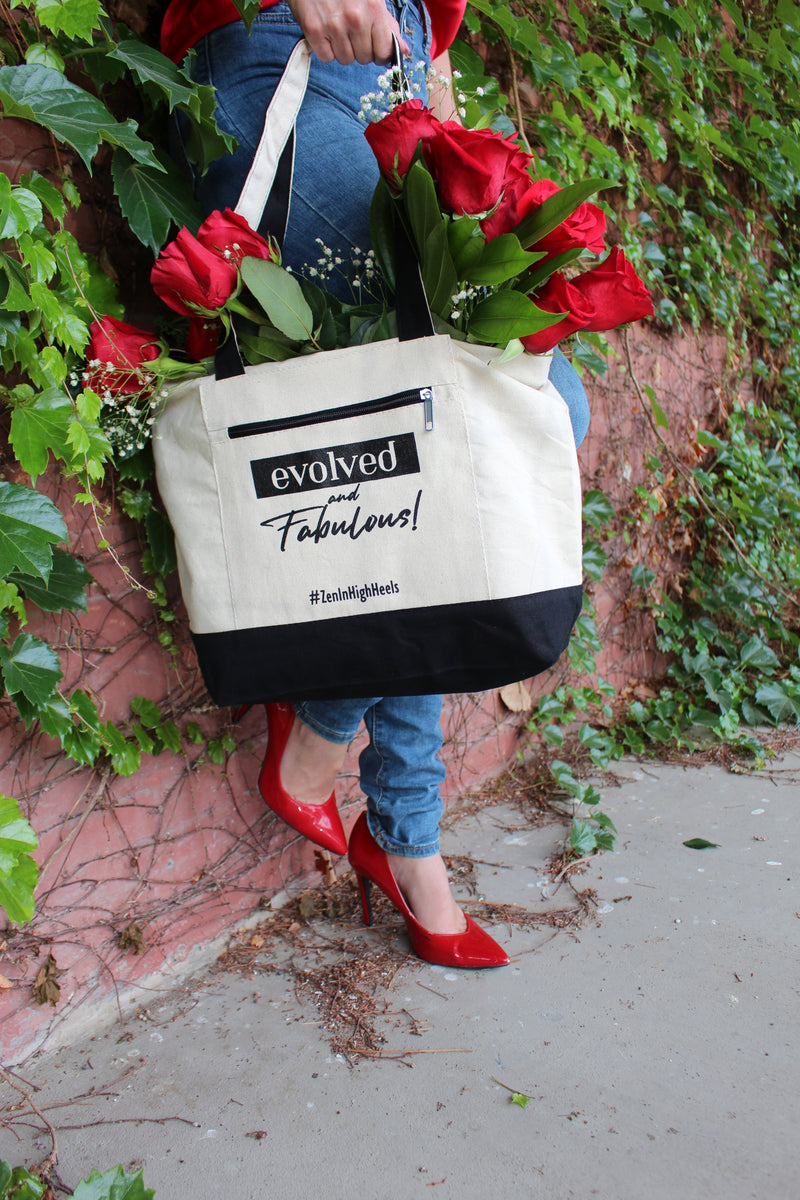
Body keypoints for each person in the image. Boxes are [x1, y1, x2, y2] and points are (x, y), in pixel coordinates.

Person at [161, 0, 589, 969]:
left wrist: (430, 74)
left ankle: (403, 835)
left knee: (437, 431)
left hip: (387, 76)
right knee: (527, 416)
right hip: (276, 59)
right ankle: (328, 748)